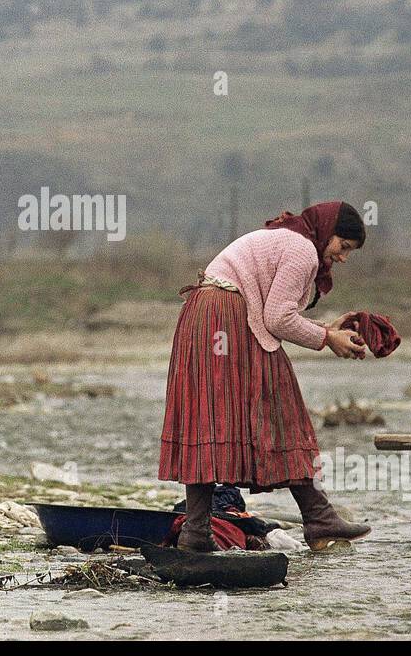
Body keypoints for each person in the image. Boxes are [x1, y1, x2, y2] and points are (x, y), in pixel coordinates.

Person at [158, 200, 374, 551]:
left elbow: (274, 310)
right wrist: (326, 339)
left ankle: (196, 533)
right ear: (327, 232)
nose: (344, 257)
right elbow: (277, 319)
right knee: (281, 405)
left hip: (207, 315)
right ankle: (319, 518)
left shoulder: (292, 240)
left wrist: (324, 329)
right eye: (343, 246)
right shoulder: (303, 249)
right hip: (225, 316)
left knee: (208, 417)